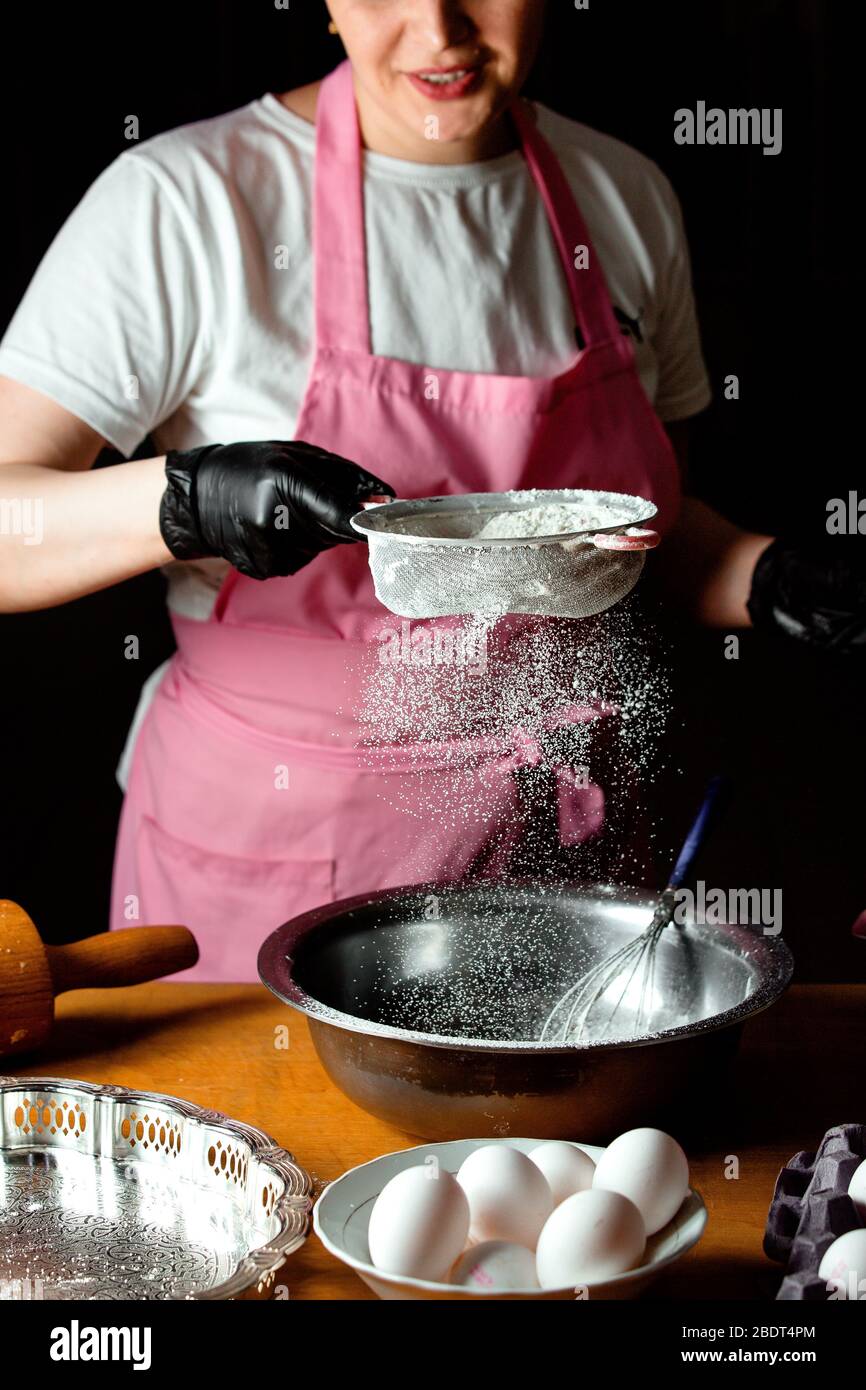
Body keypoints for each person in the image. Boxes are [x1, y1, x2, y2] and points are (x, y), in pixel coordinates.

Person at [0, 1, 861, 980]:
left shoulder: (621, 195)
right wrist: (185, 499)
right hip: (284, 856)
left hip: (566, 862)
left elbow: (634, 546)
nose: (439, 29)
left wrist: (768, 577)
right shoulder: (185, 201)